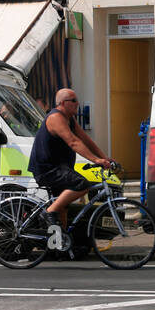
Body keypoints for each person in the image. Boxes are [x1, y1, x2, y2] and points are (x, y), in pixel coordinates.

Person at [28, 88, 114, 233]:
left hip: (59, 168)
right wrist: (95, 160)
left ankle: (59, 245)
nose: (77, 103)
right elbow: (73, 142)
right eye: (73, 100)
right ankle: (48, 212)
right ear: (62, 103)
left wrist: (104, 158)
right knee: (82, 184)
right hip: (48, 169)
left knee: (63, 208)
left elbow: (86, 140)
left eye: (77, 100)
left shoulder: (70, 119)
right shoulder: (56, 118)